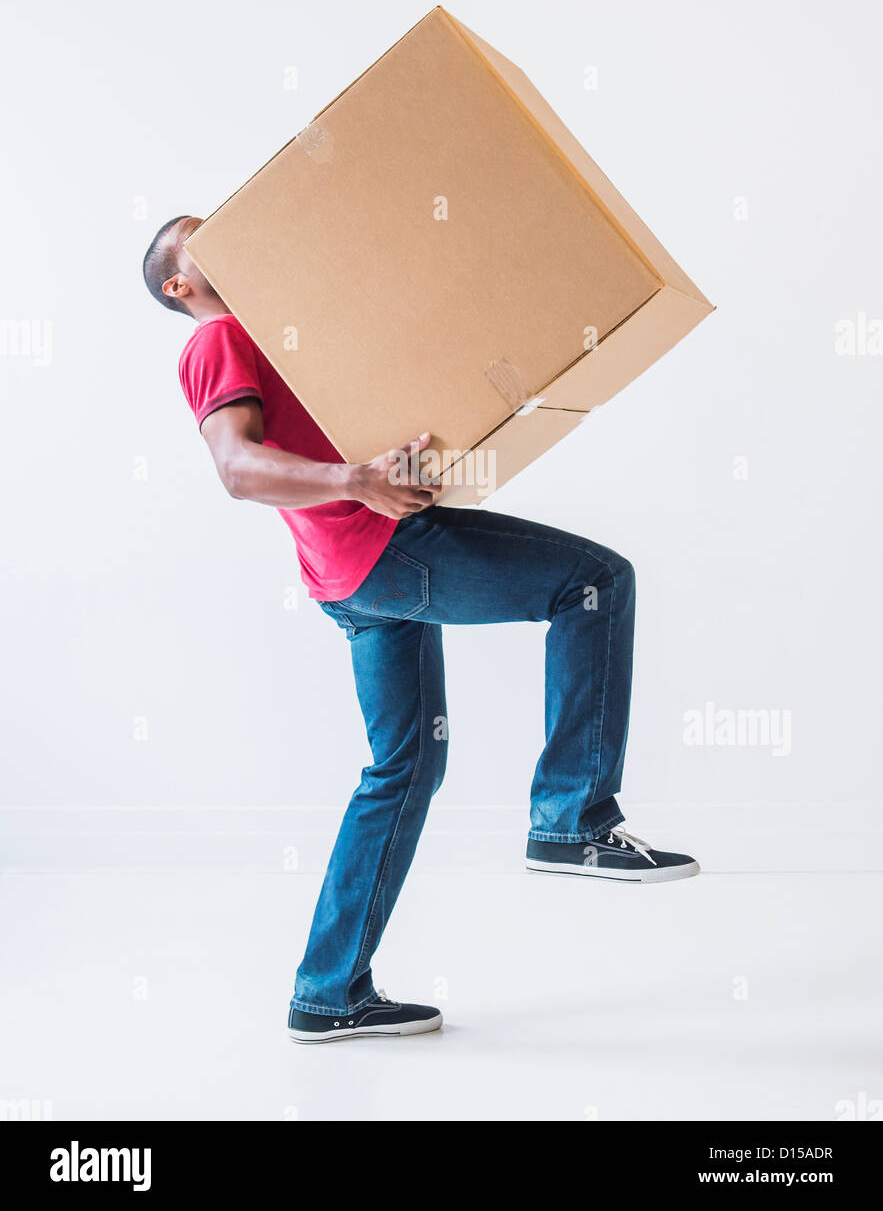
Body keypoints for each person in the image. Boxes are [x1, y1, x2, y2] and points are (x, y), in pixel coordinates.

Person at [143, 214, 700, 1044]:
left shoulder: (282, 335)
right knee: (594, 582)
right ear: (178, 285)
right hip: (380, 551)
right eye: (200, 239)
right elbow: (237, 468)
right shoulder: (216, 337)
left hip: (349, 580)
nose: (228, 234)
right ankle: (572, 821)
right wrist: (357, 479)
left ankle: (327, 994)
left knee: (401, 770)